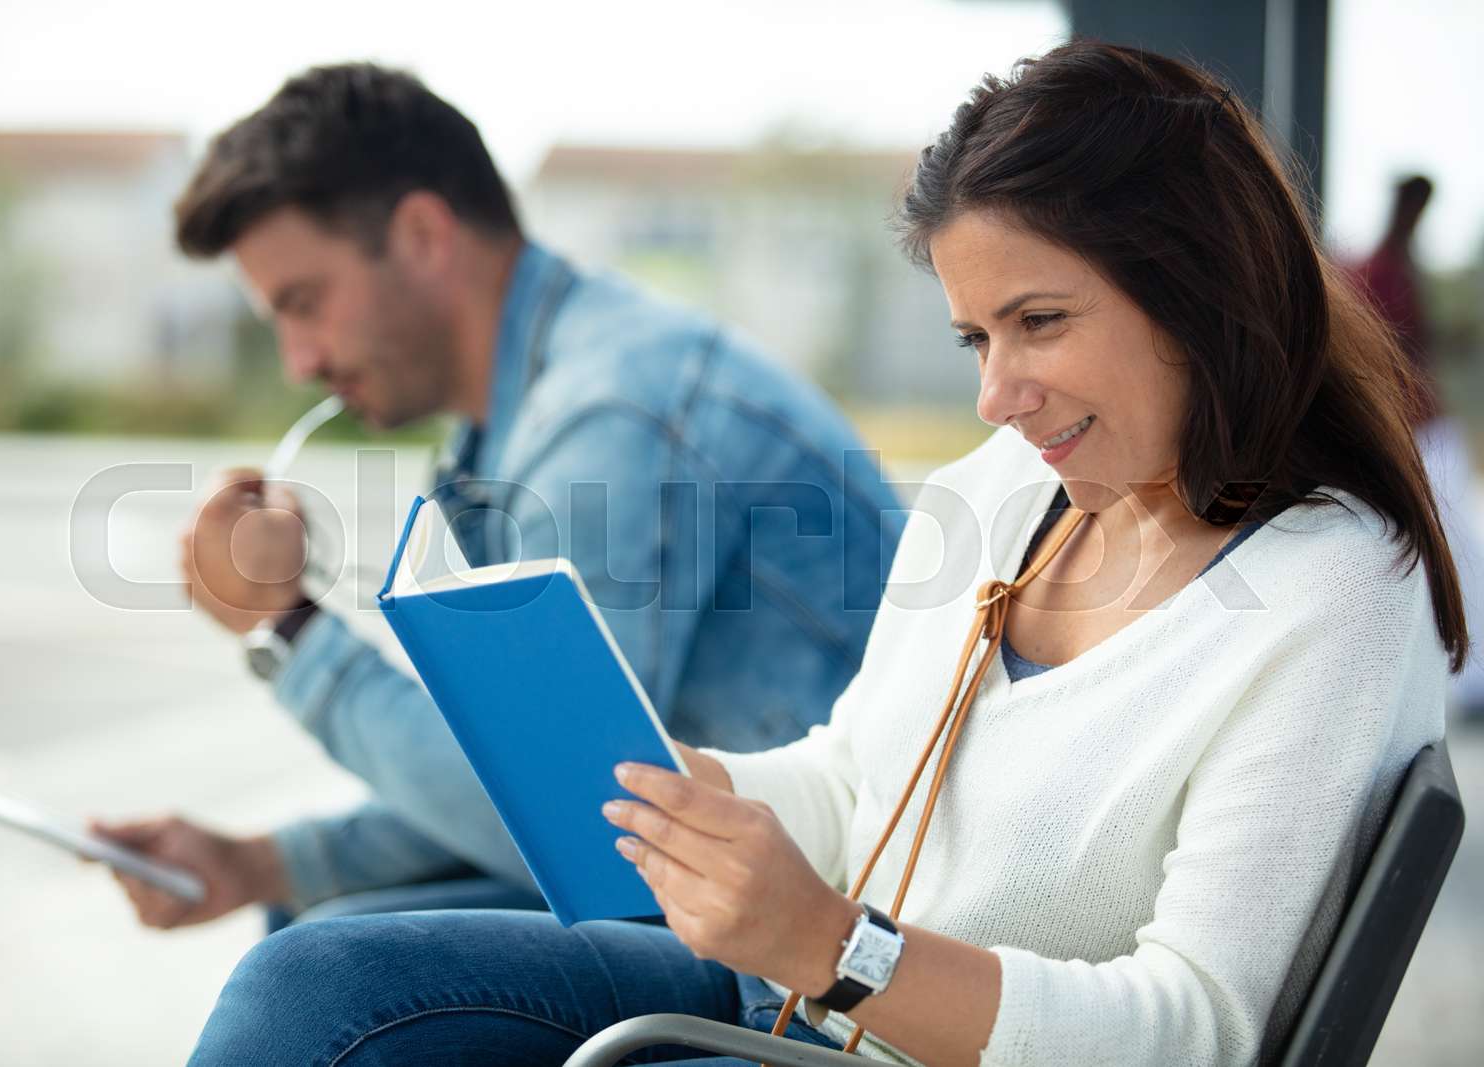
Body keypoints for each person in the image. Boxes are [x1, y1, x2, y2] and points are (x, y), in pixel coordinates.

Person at [184, 42, 1470, 1067]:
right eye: (976, 337)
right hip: (811, 993)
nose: (997, 395)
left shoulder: (1328, 597)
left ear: (1205, 288)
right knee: (314, 980)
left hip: (860, 1011)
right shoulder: (1009, 495)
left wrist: (833, 945)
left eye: (1039, 321)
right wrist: (695, 793)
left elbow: (1196, 1035)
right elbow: (856, 777)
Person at [94, 63, 905, 932]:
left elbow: (569, 820)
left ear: (420, 235)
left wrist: (287, 628)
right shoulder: (516, 424)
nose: (299, 359)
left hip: (836, 932)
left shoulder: (612, 414)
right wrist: (260, 864)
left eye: (305, 302)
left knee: (329, 966)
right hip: (726, 882)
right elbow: (512, 775)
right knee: (318, 926)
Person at [1352, 176, 1484, 721]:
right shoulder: (1373, 271)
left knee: (1461, 555)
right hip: (1411, 431)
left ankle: (1468, 679)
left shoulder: (1401, 267)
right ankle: (1460, 679)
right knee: (1442, 553)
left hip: (1427, 425)